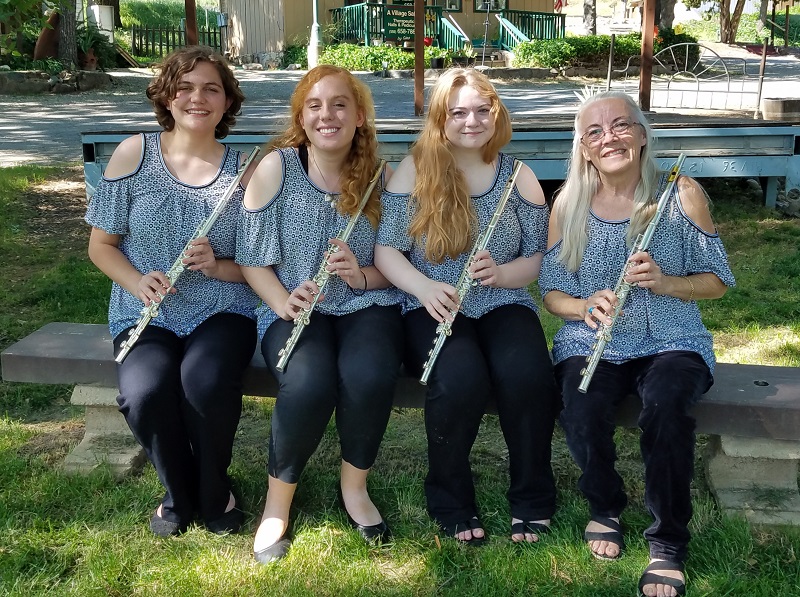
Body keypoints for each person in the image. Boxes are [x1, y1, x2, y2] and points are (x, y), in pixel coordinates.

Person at [539, 90, 735, 597]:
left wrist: (667, 282)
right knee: (581, 406)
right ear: (583, 148)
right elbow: (550, 293)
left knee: (667, 405)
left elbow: (717, 281)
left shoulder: (681, 194)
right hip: (594, 337)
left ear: (642, 134)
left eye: (622, 126)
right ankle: (605, 505)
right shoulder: (568, 203)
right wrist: (583, 307)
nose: (611, 138)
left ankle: (667, 541)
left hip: (672, 337)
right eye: (595, 132)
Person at [374, 68, 559, 546]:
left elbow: (537, 256)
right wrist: (423, 288)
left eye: (482, 110)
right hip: (431, 302)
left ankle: (533, 495)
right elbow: (387, 250)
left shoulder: (520, 175)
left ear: (496, 114)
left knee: (529, 376)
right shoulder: (417, 168)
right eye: (458, 112)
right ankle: (450, 497)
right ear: (440, 118)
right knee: (459, 379)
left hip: (502, 299)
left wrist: (501, 274)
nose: (471, 121)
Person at [85, 46, 258, 537]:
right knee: (144, 392)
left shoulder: (246, 170)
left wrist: (219, 265)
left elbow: (262, 265)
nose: (197, 98)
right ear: (166, 96)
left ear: (227, 102)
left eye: (211, 89)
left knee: (203, 383)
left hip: (222, 308)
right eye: (184, 87)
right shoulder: (134, 153)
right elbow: (102, 246)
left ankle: (213, 487)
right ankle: (178, 490)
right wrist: (137, 281)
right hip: (147, 309)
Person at [236, 65, 404, 564]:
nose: (327, 115)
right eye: (315, 105)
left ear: (358, 116)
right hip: (291, 305)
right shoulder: (276, 169)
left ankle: (355, 489)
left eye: (339, 104)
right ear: (301, 117)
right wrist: (280, 301)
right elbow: (251, 258)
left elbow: (392, 266)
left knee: (370, 374)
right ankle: (276, 505)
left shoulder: (380, 174)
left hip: (364, 303)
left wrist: (361, 275)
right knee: (308, 382)